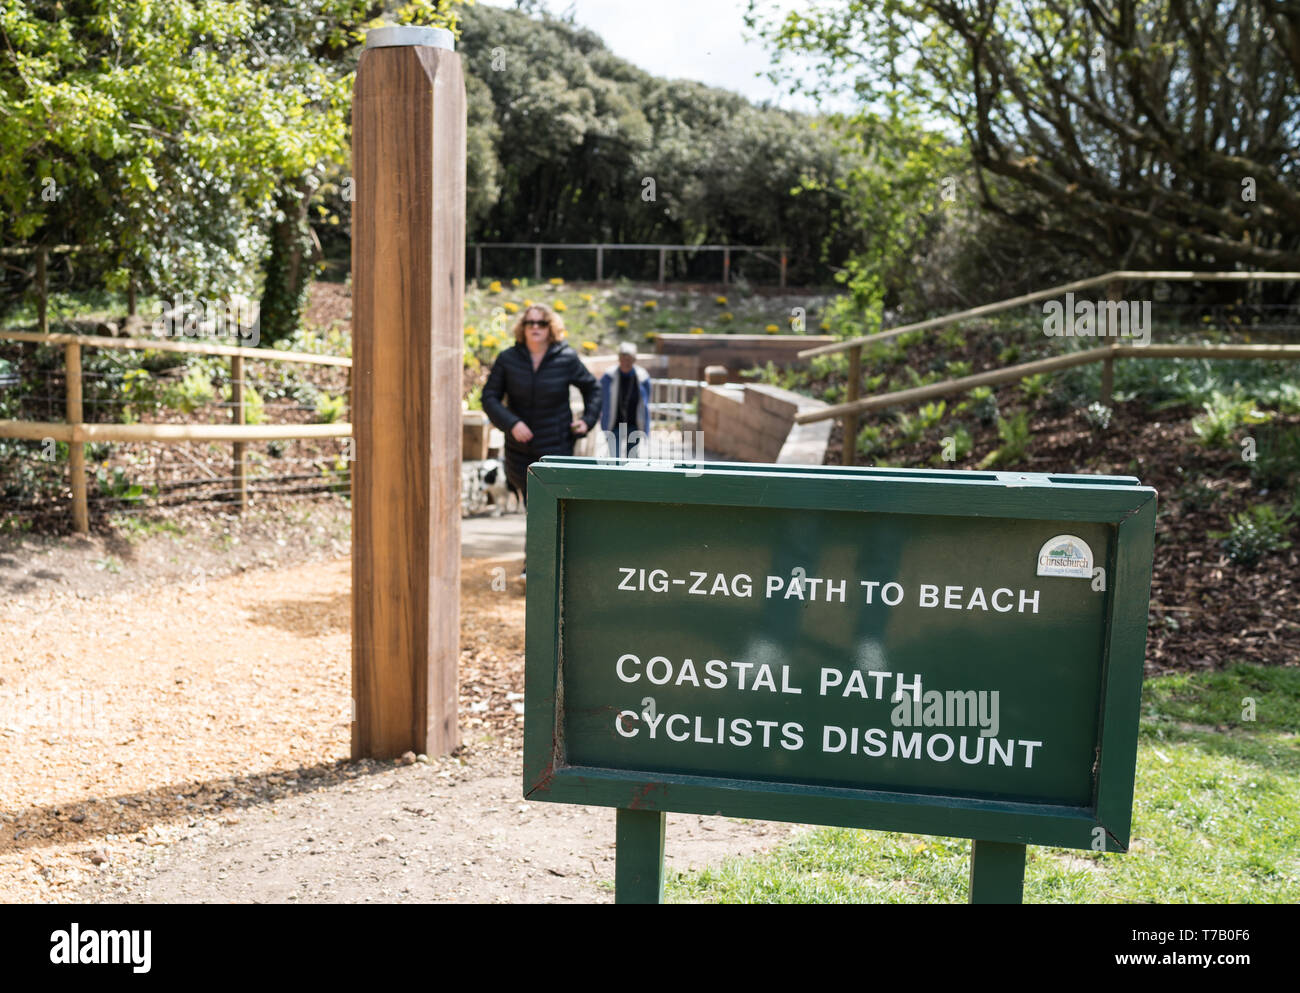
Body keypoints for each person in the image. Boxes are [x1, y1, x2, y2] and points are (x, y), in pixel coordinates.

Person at [481, 304, 600, 573]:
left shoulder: (566, 357)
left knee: (550, 506)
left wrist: (587, 420)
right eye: (530, 323)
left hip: (557, 447)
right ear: (522, 328)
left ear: (551, 328)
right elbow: (489, 397)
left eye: (542, 323)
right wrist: (512, 423)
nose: (536, 327)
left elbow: (593, 388)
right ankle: (537, 564)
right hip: (519, 449)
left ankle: (543, 566)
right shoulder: (508, 359)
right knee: (534, 505)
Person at [599, 342, 652, 458]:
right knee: (614, 458)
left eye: (629, 360)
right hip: (614, 424)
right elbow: (600, 398)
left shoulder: (642, 377)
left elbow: (646, 404)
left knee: (631, 459)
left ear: (634, 360)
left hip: (634, 425)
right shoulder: (609, 377)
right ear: (619, 359)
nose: (626, 363)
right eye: (623, 359)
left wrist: (646, 427)